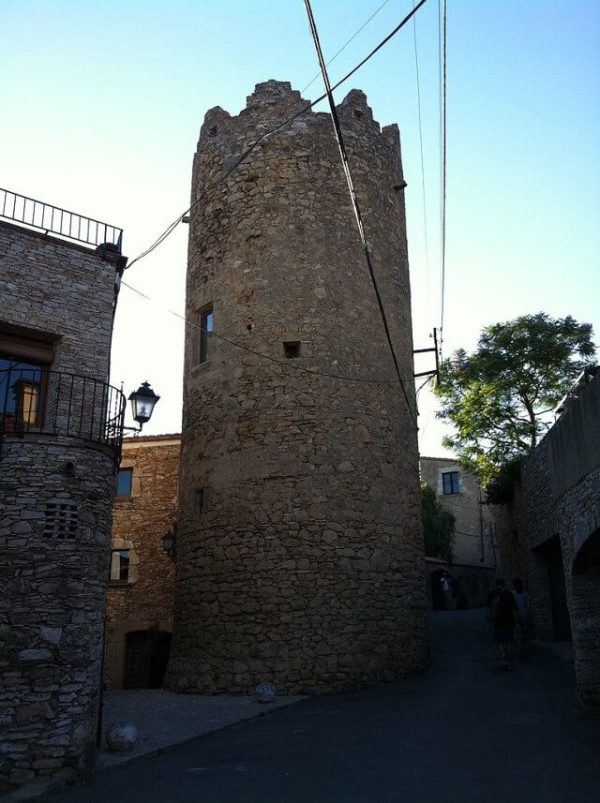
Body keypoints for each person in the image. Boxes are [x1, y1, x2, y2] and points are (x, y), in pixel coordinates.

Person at [488, 578, 518, 670]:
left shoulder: (492, 594)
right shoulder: (509, 594)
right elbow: (514, 610)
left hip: (498, 621)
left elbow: (488, 608)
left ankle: (504, 656)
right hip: (509, 621)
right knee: (509, 641)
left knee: (500, 641)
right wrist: (516, 622)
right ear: (504, 584)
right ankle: (510, 662)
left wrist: (489, 620)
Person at [512, 578, 531, 658]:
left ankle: (520, 649)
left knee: (517, 634)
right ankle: (525, 650)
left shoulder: (512, 594)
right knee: (525, 633)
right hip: (524, 615)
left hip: (516, 616)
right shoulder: (525, 593)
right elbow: (528, 605)